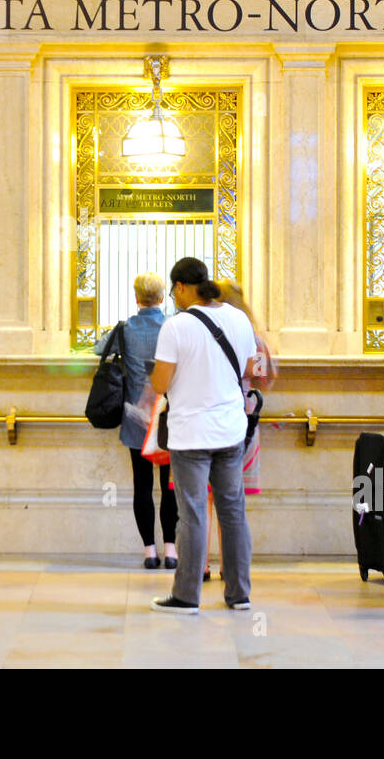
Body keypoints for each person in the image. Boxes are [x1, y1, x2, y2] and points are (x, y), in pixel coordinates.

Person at [148, 257, 258, 614]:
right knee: (233, 512)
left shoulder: (176, 327)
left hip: (191, 435)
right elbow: (247, 368)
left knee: (193, 514)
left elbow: (161, 383)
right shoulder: (239, 319)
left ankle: (186, 596)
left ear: (180, 287)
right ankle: (240, 594)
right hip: (230, 431)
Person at [93, 273, 177, 570]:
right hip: (168, 417)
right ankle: (172, 551)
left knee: (141, 486)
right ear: (163, 295)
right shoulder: (172, 326)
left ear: (136, 297)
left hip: (135, 419)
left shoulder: (126, 328)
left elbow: (97, 349)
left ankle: (149, 553)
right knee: (170, 486)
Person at [203, 280, 276, 581]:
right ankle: (229, 566)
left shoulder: (201, 331)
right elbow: (262, 380)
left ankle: (201, 564)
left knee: (203, 497)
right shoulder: (253, 337)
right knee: (232, 499)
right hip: (241, 421)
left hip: (205, 419)